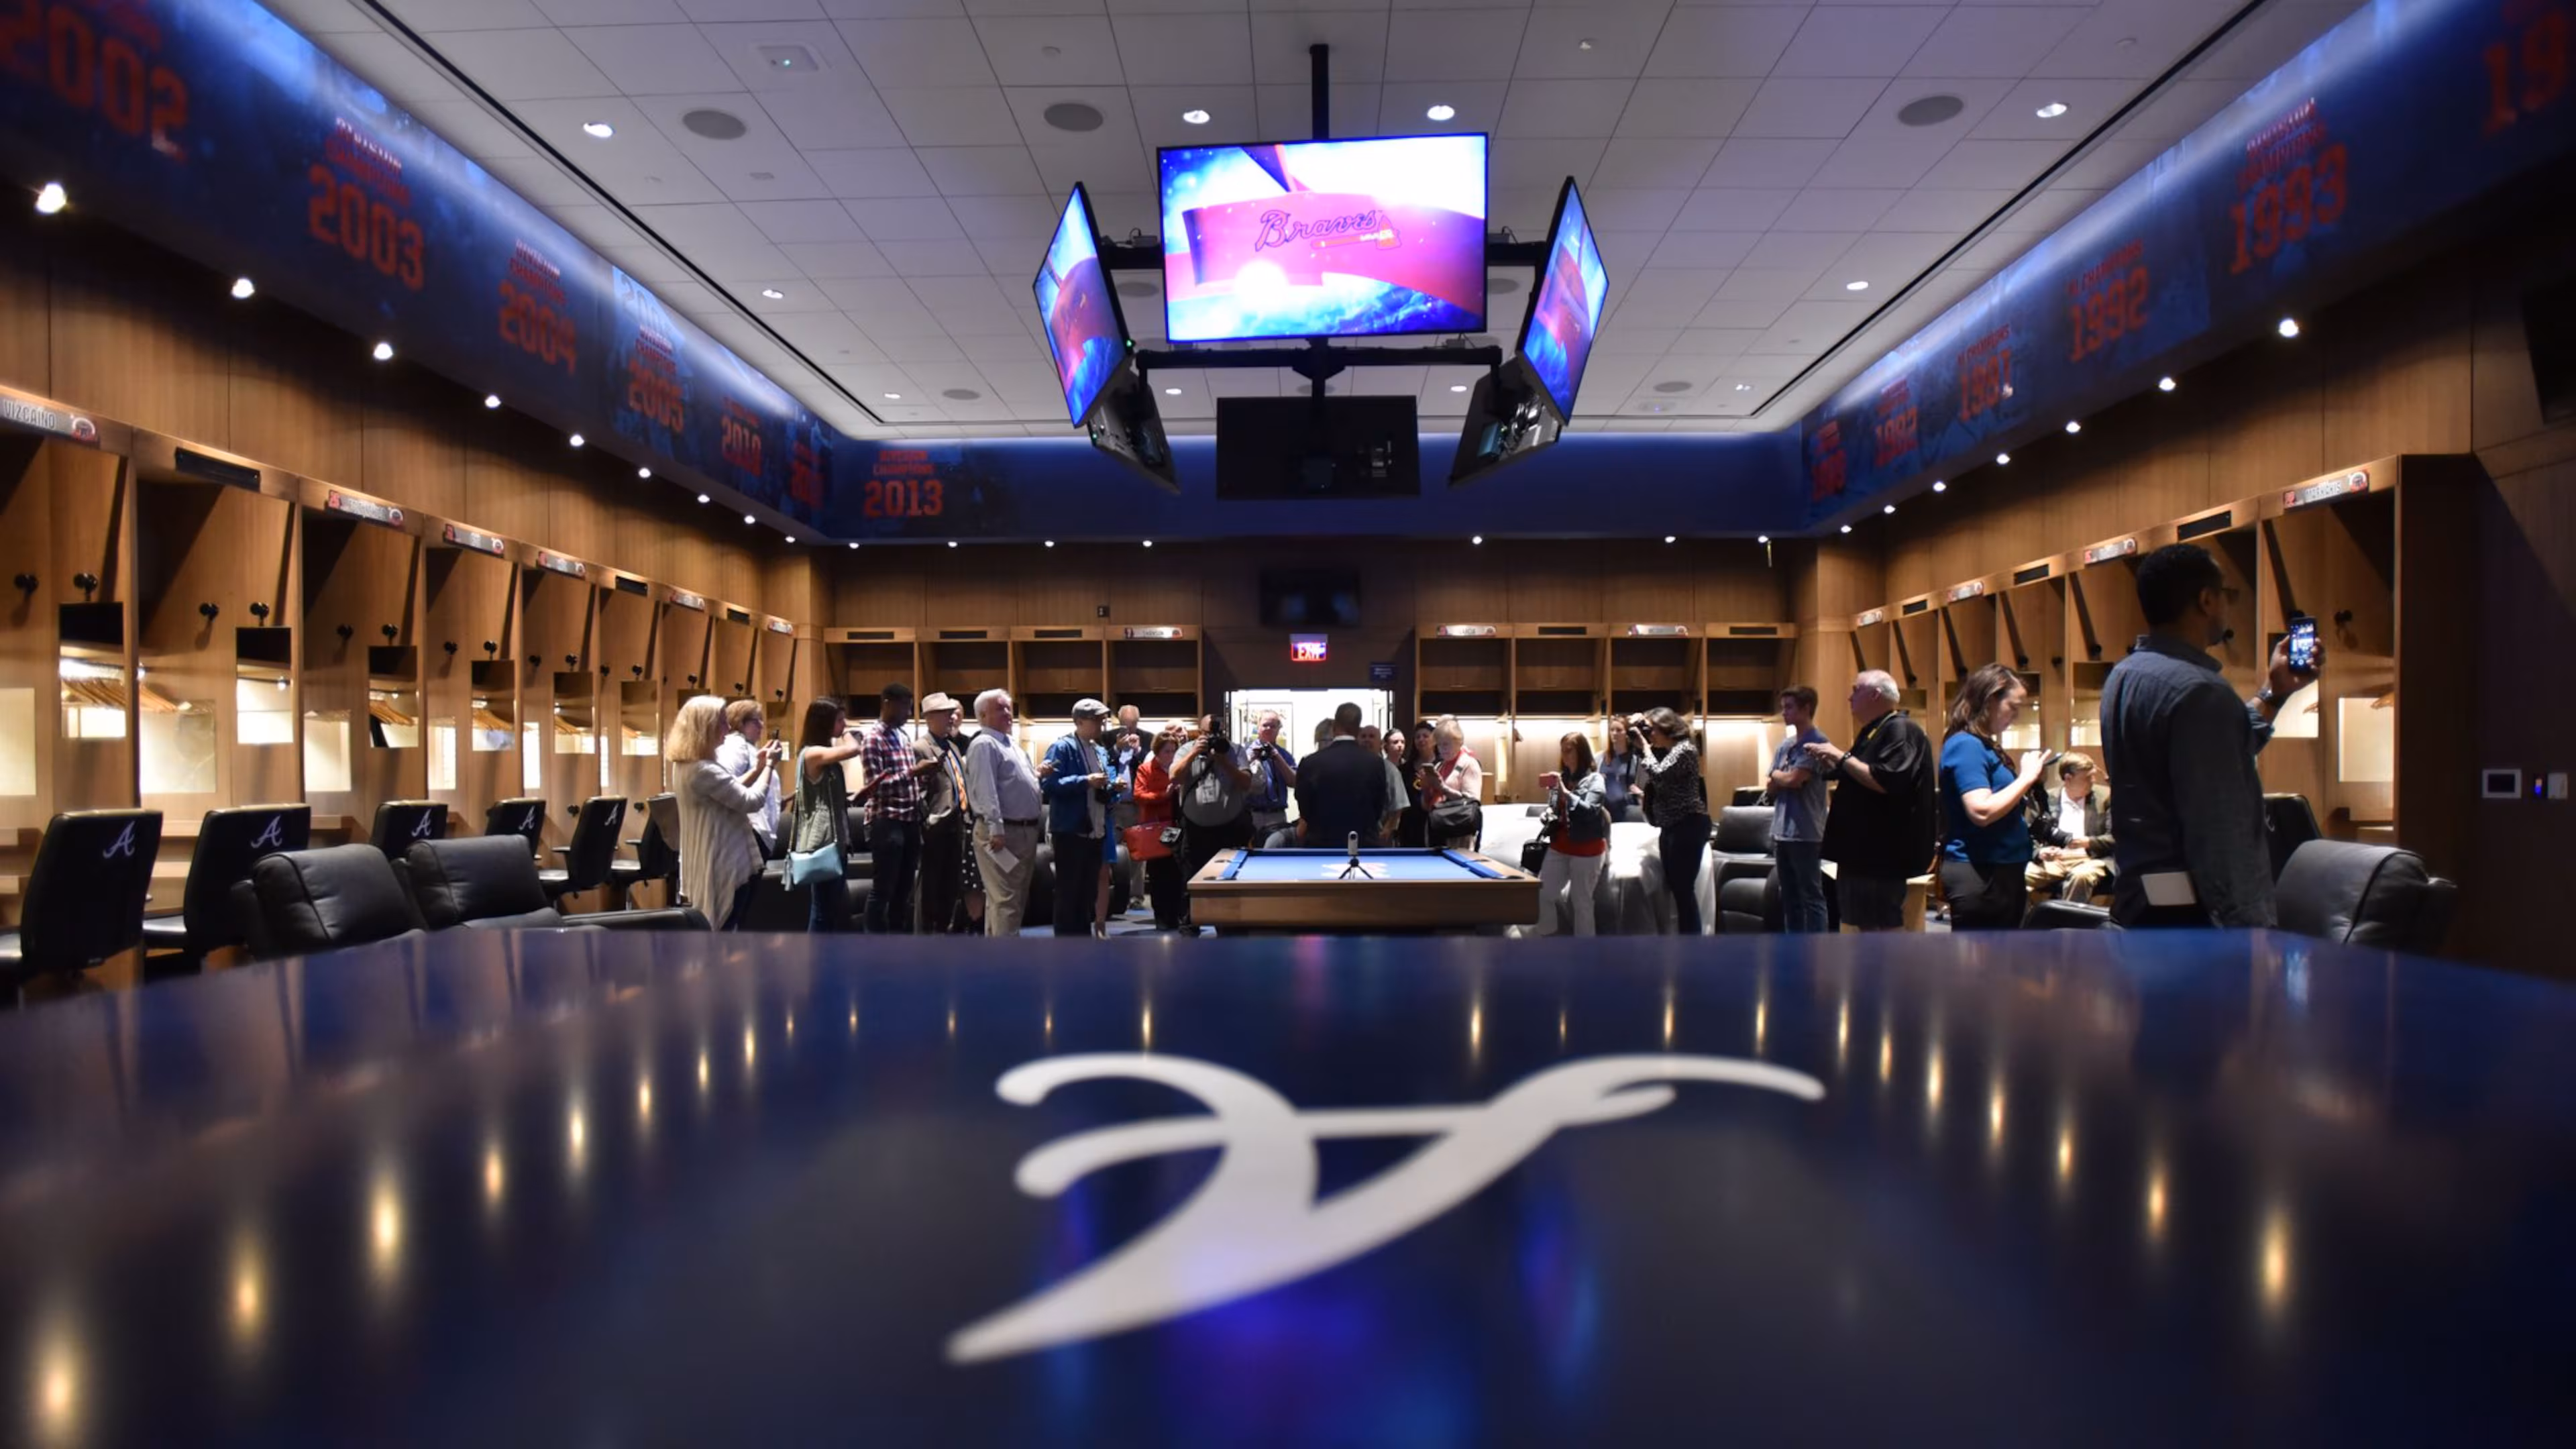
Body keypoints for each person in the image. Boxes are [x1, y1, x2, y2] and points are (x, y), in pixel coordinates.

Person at [2102, 542, 2318, 927]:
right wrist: (2249, 925)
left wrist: (2274, 691)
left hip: (2142, 902)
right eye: (2226, 595)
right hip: (2198, 918)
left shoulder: (2125, 675)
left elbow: (2224, 745)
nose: (2226, 606)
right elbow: (2220, 828)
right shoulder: (2201, 691)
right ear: (2206, 600)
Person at [1807, 671, 1938, 931]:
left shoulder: (1902, 729)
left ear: (1875, 694)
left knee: (1882, 927)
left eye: (1856, 690)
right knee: (1863, 925)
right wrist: (1834, 763)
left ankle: (1886, 962)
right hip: (1861, 853)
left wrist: (1840, 756)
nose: (1850, 697)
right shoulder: (1874, 730)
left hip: (1881, 855)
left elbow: (1885, 780)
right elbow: (1860, 773)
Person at [1933, 664, 2049, 931]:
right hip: (1981, 872)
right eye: (2013, 706)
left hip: (1999, 869)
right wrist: (2026, 777)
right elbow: (1981, 811)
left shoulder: (1984, 744)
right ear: (1989, 700)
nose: (2016, 716)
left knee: (2003, 956)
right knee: (1982, 957)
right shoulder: (1966, 745)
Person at [667, 695, 776, 931]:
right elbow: (752, 801)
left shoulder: (686, 766)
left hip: (713, 856)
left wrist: (758, 768)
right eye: (723, 723)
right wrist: (769, 766)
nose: (728, 728)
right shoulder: (704, 769)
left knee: (721, 930)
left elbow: (729, 789)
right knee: (724, 931)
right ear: (706, 727)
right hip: (723, 862)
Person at [854, 683, 937, 934]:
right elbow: (876, 787)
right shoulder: (873, 739)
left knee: (904, 890)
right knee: (883, 889)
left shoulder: (902, 736)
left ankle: (899, 941)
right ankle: (875, 944)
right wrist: (914, 772)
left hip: (910, 819)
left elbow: (908, 780)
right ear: (887, 704)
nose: (908, 713)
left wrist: (925, 776)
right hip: (886, 821)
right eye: (904, 707)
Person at [965, 689, 1044, 935]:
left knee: (1011, 898)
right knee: (1006, 899)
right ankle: (1006, 955)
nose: (1008, 713)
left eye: (1009, 708)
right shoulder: (984, 744)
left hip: (1023, 831)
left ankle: (997, 951)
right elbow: (986, 790)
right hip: (1001, 834)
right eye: (1000, 709)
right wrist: (995, 828)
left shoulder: (1011, 745)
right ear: (982, 715)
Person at [1631, 707, 1711, 934]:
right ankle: (1682, 941)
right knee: (1677, 889)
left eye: (1653, 729)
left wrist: (1644, 747)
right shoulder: (1670, 751)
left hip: (1688, 826)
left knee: (1683, 890)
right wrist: (1641, 741)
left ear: (1666, 727)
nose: (1651, 735)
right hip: (1672, 827)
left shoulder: (1685, 749)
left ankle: (1692, 945)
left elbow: (1659, 773)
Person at [791, 697, 865, 933]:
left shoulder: (823, 753)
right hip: (824, 842)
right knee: (823, 910)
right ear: (824, 723)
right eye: (839, 720)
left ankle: (825, 952)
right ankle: (816, 952)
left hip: (836, 841)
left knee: (831, 909)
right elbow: (853, 749)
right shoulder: (812, 753)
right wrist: (848, 733)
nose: (844, 725)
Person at [1042, 699, 1116, 938]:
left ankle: (1082, 942)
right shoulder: (1062, 747)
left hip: (1095, 829)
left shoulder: (1098, 750)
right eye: (1096, 720)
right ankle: (1066, 946)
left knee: (1087, 893)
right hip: (1070, 831)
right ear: (1080, 721)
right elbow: (1049, 785)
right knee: (1069, 892)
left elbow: (1100, 788)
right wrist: (1085, 781)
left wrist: (1112, 788)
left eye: (1102, 720)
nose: (1101, 725)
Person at [1533, 731, 1611, 936]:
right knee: (1542, 894)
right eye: (1563, 751)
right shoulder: (1562, 778)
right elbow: (1554, 807)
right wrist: (1548, 813)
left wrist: (1566, 794)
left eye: (1570, 750)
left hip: (1587, 849)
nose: (1565, 755)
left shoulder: (1595, 780)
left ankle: (1584, 950)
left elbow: (1590, 811)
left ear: (1582, 753)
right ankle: (1548, 939)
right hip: (1560, 845)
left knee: (1581, 903)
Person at [1767, 686, 1831, 933]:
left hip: (1805, 831)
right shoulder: (1785, 746)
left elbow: (1795, 780)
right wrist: (1781, 777)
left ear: (1806, 709)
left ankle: (1816, 947)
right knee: (1789, 896)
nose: (1784, 712)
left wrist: (1778, 775)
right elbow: (1771, 787)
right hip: (1781, 830)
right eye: (1783, 707)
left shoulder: (1818, 742)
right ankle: (1794, 946)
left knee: (1811, 896)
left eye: (1789, 707)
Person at [914, 692, 977, 934]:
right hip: (935, 827)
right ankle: (925, 939)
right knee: (930, 888)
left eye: (952, 713)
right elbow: (916, 790)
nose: (951, 718)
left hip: (958, 824)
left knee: (951, 886)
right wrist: (927, 820)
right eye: (945, 714)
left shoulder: (951, 746)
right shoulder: (920, 747)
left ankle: (944, 934)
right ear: (929, 717)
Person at [1173, 712, 1256, 893]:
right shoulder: (1187, 750)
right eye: (1207, 733)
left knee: (1229, 883)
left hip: (1229, 830)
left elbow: (1246, 783)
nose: (1213, 738)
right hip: (1195, 831)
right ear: (1200, 732)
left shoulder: (1235, 751)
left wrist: (1224, 762)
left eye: (1217, 733)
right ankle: (1192, 912)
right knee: (1193, 882)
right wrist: (1194, 753)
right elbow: (1174, 777)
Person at [1292, 702, 1389, 849]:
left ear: (1334, 727)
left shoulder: (1310, 763)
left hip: (1321, 844)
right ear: (1358, 729)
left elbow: (1304, 808)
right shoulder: (1375, 763)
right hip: (1363, 843)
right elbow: (1378, 807)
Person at [2026, 751, 2114, 906]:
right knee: (2019, 876)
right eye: (2087, 778)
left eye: (2093, 776)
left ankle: (2068, 920)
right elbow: (2030, 835)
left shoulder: (2106, 797)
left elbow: (2116, 837)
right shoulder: (2046, 799)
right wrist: (2040, 852)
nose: (2093, 781)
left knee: (2081, 877)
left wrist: (2088, 842)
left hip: (2090, 859)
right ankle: (2032, 920)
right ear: (2068, 778)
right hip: (2054, 860)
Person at [1130, 725, 1188, 931]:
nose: (1170, 755)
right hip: (1157, 828)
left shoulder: (1180, 768)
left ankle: (1179, 916)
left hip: (1177, 825)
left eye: (1173, 751)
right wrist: (1164, 794)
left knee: (1178, 873)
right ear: (1157, 751)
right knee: (1158, 874)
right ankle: (1162, 917)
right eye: (1166, 751)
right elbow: (1139, 796)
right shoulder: (1146, 769)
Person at [714, 698, 781, 857]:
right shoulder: (736, 745)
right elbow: (729, 785)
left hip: (759, 831)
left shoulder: (749, 747)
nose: (762, 725)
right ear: (740, 722)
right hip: (749, 831)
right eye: (756, 721)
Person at [1419, 716, 1485, 849]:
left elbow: (1472, 803)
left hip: (1458, 832)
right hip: (1437, 828)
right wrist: (1426, 787)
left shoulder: (1469, 764)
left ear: (1458, 743)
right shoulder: (1439, 766)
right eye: (1439, 745)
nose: (1442, 749)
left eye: (1446, 744)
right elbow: (1426, 806)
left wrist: (1443, 788)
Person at [1245, 710, 1300, 847]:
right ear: (1258, 727)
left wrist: (1277, 758)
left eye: (1273, 726)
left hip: (1277, 815)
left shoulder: (1284, 755)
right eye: (1265, 725)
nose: (1268, 729)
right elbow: (1236, 781)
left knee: (1275, 853)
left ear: (1279, 729)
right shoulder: (1246, 751)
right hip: (1252, 815)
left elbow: (1294, 782)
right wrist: (1251, 759)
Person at [1355, 724, 1409, 845]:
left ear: (1380, 743)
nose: (1367, 740)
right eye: (1363, 736)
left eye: (1371, 736)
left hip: (1379, 837)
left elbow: (1398, 805)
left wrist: (1387, 830)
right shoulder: (1352, 767)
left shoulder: (1390, 770)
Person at [1388, 727, 1428, 846]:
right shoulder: (1405, 769)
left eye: (1425, 736)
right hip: (1407, 823)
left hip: (1431, 820)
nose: (1421, 740)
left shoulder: (1440, 765)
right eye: (1418, 737)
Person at [1600, 722, 1640, 824]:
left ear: (1627, 733)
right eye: (1612, 730)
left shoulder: (1636, 760)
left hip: (1629, 810)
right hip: (1606, 811)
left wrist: (1640, 793)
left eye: (1619, 730)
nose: (1614, 733)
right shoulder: (1600, 758)